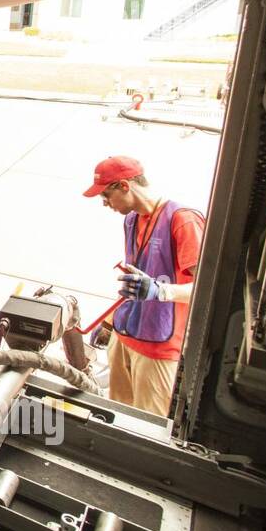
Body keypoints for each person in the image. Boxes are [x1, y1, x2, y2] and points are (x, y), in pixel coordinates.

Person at [83, 155, 206, 417]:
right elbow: (135, 281)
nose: (105, 204)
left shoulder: (182, 221)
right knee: (115, 417)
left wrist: (161, 291)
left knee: (145, 427)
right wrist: (110, 322)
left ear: (124, 186)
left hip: (157, 349)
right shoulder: (130, 220)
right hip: (124, 338)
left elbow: (206, 290)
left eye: (106, 196)